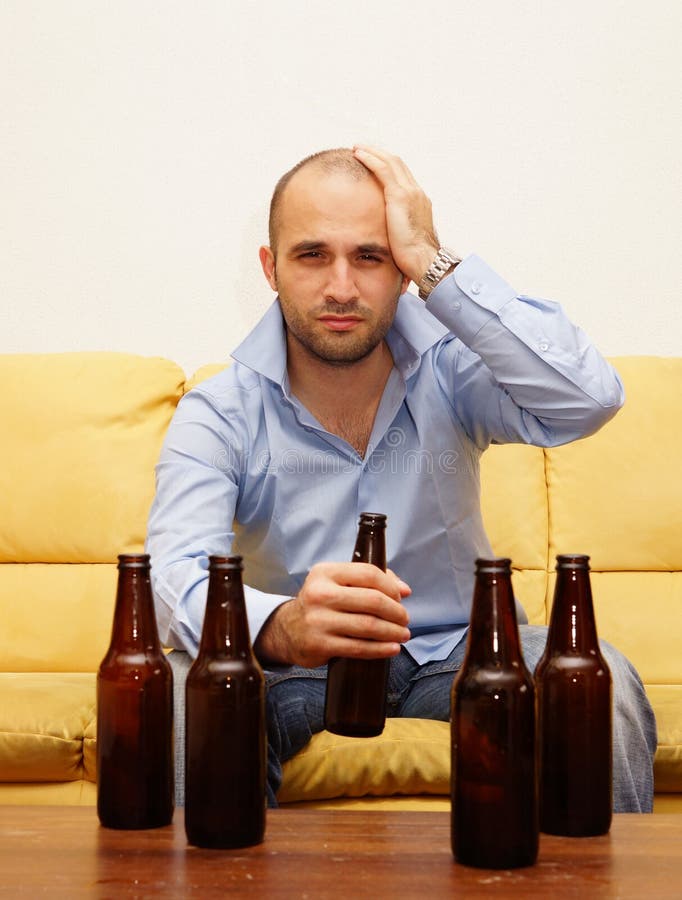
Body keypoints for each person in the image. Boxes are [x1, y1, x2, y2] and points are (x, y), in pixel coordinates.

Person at [146, 146, 657, 811]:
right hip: (294, 666)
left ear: (403, 270)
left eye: (371, 256)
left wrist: (437, 264)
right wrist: (281, 625)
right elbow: (170, 574)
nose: (340, 288)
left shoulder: (452, 370)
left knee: (601, 679)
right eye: (311, 256)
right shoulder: (220, 410)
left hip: (461, 652)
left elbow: (588, 398)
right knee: (182, 692)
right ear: (270, 269)